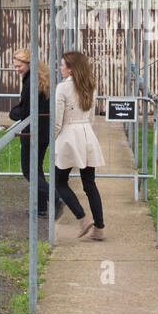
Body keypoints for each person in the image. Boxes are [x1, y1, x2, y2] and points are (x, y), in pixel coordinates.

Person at [52, 50, 107, 240]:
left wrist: (53, 140)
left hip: (68, 135)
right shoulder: (91, 86)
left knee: (59, 182)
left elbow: (58, 122)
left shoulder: (62, 88)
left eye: (63, 65)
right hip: (86, 134)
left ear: (72, 69)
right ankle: (99, 228)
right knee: (90, 184)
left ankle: (82, 218)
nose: (60, 68)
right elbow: (91, 117)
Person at [8, 48, 60, 218]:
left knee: (29, 170)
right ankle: (41, 207)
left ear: (28, 64)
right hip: (43, 131)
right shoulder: (41, 78)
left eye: (19, 66)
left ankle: (57, 197)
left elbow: (27, 110)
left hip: (33, 132)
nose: (17, 70)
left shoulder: (31, 82)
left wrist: (12, 113)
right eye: (15, 67)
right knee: (36, 169)